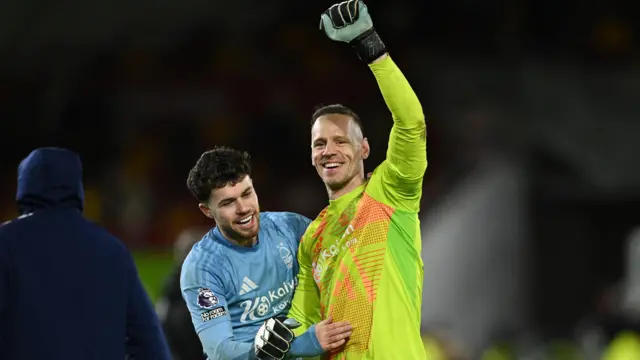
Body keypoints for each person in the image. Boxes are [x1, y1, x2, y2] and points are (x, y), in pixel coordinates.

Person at [286, 1, 429, 359]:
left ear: (364, 148)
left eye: (340, 141)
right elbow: (301, 320)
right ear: (311, 155)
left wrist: (371, 46)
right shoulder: (313, 238)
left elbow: (411, 124)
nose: (329, 150)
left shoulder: (390, 192)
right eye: (320, 143)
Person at [180, 146, 352, 359]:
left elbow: (347, 247)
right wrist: (298, 346)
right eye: (228, 202)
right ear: (207, 211)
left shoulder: (290, 227)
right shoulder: (203, 267)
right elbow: (220, 352)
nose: (243, 208)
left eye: (247, 193)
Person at [0, 147, 171, 360]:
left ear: (24, 186)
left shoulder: (6, 243)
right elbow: (150, 344)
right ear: (76, 187)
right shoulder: (112, 250)